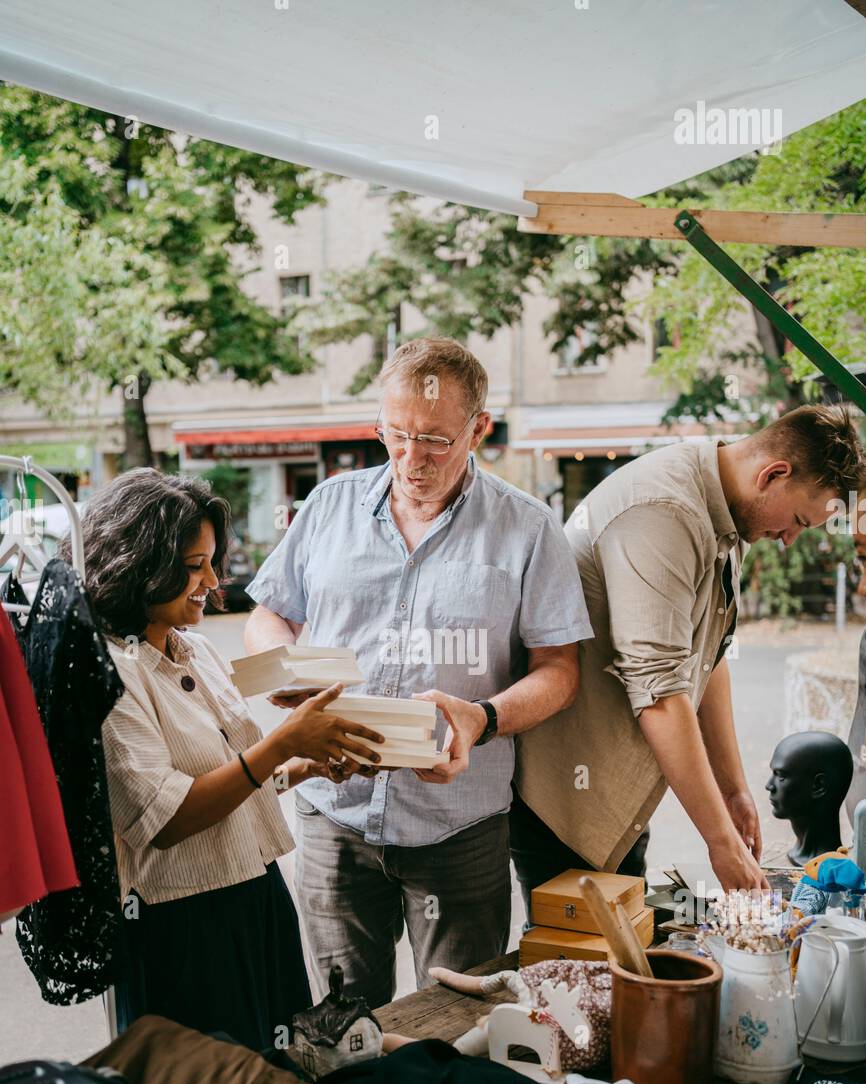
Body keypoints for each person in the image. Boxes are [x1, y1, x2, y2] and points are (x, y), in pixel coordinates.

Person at [245, 337, 592, 1006]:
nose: (410, 459)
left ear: (478, 429)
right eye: (396, 435)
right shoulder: (328, 506)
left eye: (434, 440)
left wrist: (482, 718)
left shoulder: (528, 528)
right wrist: (287, 672)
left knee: (456, 1020)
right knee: (345, 1024)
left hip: (460, 827)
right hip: (334, 817)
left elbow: (560, 671)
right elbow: (270, 615)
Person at [514, 404, 866, 903]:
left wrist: (733, 791)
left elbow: (707, 656)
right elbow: (658, 690)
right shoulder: (664, 512)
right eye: (798, 521)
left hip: (618, 795)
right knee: (576, 951)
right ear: (773, 474)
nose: (789, 540)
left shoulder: (730, 508)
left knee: (624, 941)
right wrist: (720, 841)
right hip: (566, 801)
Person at [83, 468, 384, 1051]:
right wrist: (284, 742)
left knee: (278, 1072)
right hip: (184, 924)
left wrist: (310, 762)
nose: (213, 582)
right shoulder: (111, 673)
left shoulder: (194, 648)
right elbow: (166, 818)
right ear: (140, 565)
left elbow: (237, 778)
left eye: (212, 562)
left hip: (256, 894)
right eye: (194, 566)